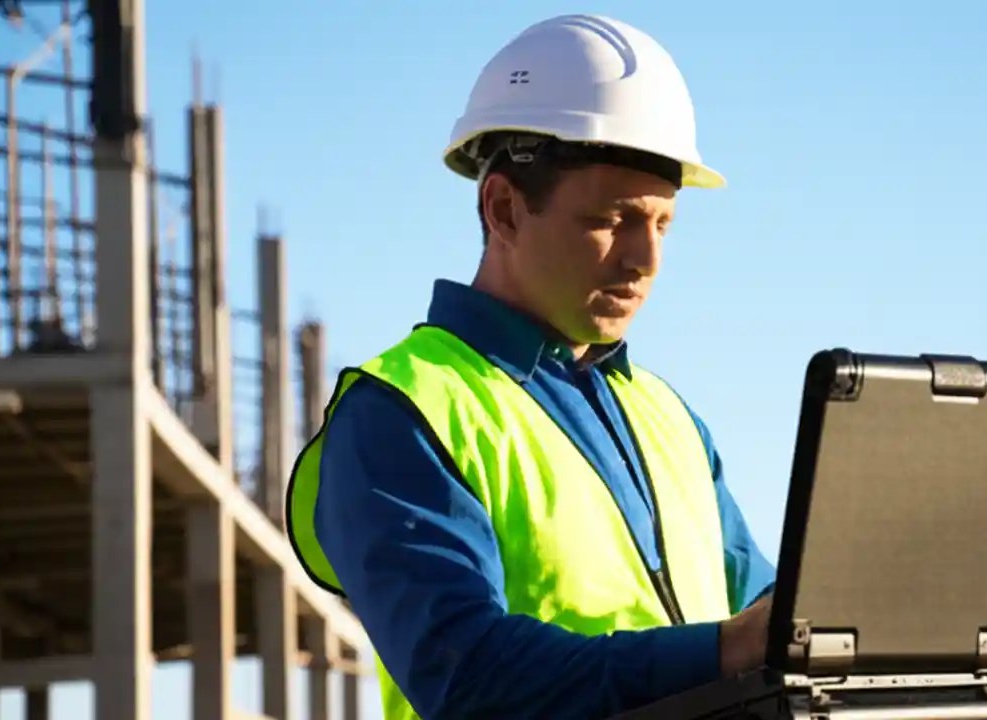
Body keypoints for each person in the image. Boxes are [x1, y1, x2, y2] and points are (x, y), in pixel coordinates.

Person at [285, 13, 776, 720]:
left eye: (663, 224)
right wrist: (721, 653)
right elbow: (469, 676)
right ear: (504, 209)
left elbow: (765, 624)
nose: (646, 259)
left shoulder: (669, 419)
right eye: (612, 219)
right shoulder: (402, 410)